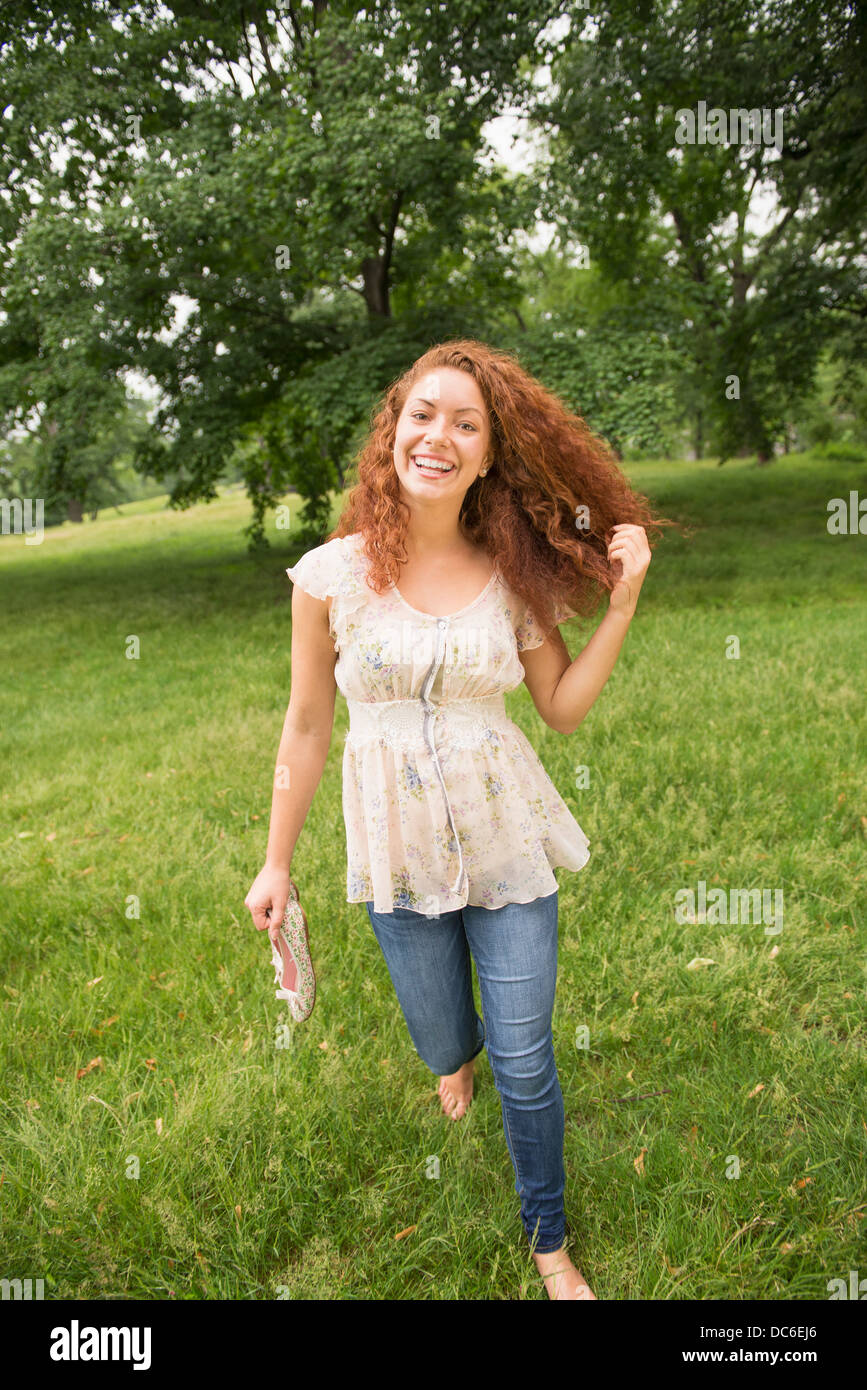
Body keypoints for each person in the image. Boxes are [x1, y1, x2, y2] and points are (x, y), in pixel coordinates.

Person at [245, 338, 669, 1300]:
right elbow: (308, 723)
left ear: (487, 456)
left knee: (525, 1056)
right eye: (422, 414)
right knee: (444, 1037)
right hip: (395, 856)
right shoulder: (330, 577)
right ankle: (450, 1063)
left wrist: (622, 606)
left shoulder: (512, 569)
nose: (438, 435)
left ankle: (548, 1241)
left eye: (465, 424)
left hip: (504, 845)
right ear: (393, 430)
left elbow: (559, 708)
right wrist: (276, 863)